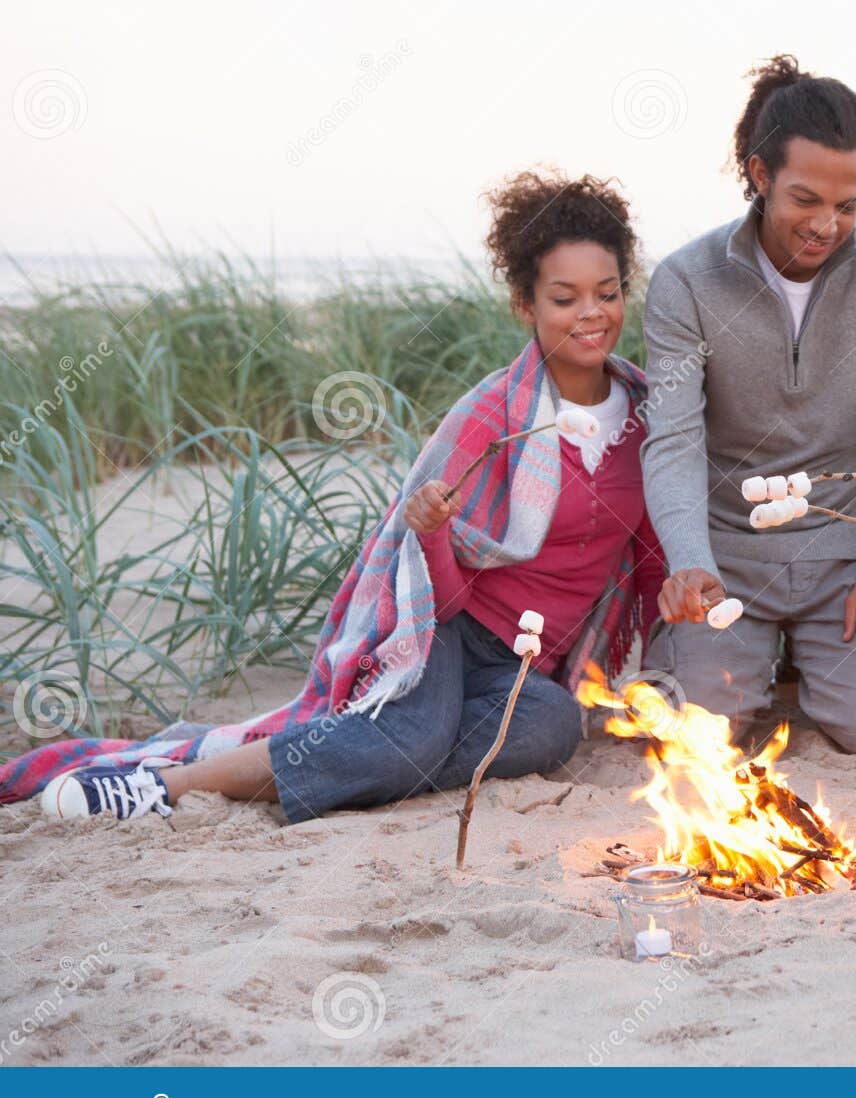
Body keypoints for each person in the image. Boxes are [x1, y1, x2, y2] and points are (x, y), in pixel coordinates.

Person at [17, 171, 664, 823]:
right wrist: (434, 530)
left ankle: (369, 755)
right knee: (414, 735)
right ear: (525, 304)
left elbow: (652, 558)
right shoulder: (492, 416)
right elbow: (438, 594)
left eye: (606, 294)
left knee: (551, 726)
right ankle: (167, 786)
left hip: (522, 664)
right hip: (444, 628)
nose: (591, 314)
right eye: (564, 297)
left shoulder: (646, 416)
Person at [640, 55, 856, 753]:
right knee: (699, 734)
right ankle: (744, 666)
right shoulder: (685, 281)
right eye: (805, 200)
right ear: (759, 176)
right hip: (726, 550)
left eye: (848, 205)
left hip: (844, 551)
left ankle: (814, 667)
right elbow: (672, 439)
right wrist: (692, 562)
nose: (826, 224)